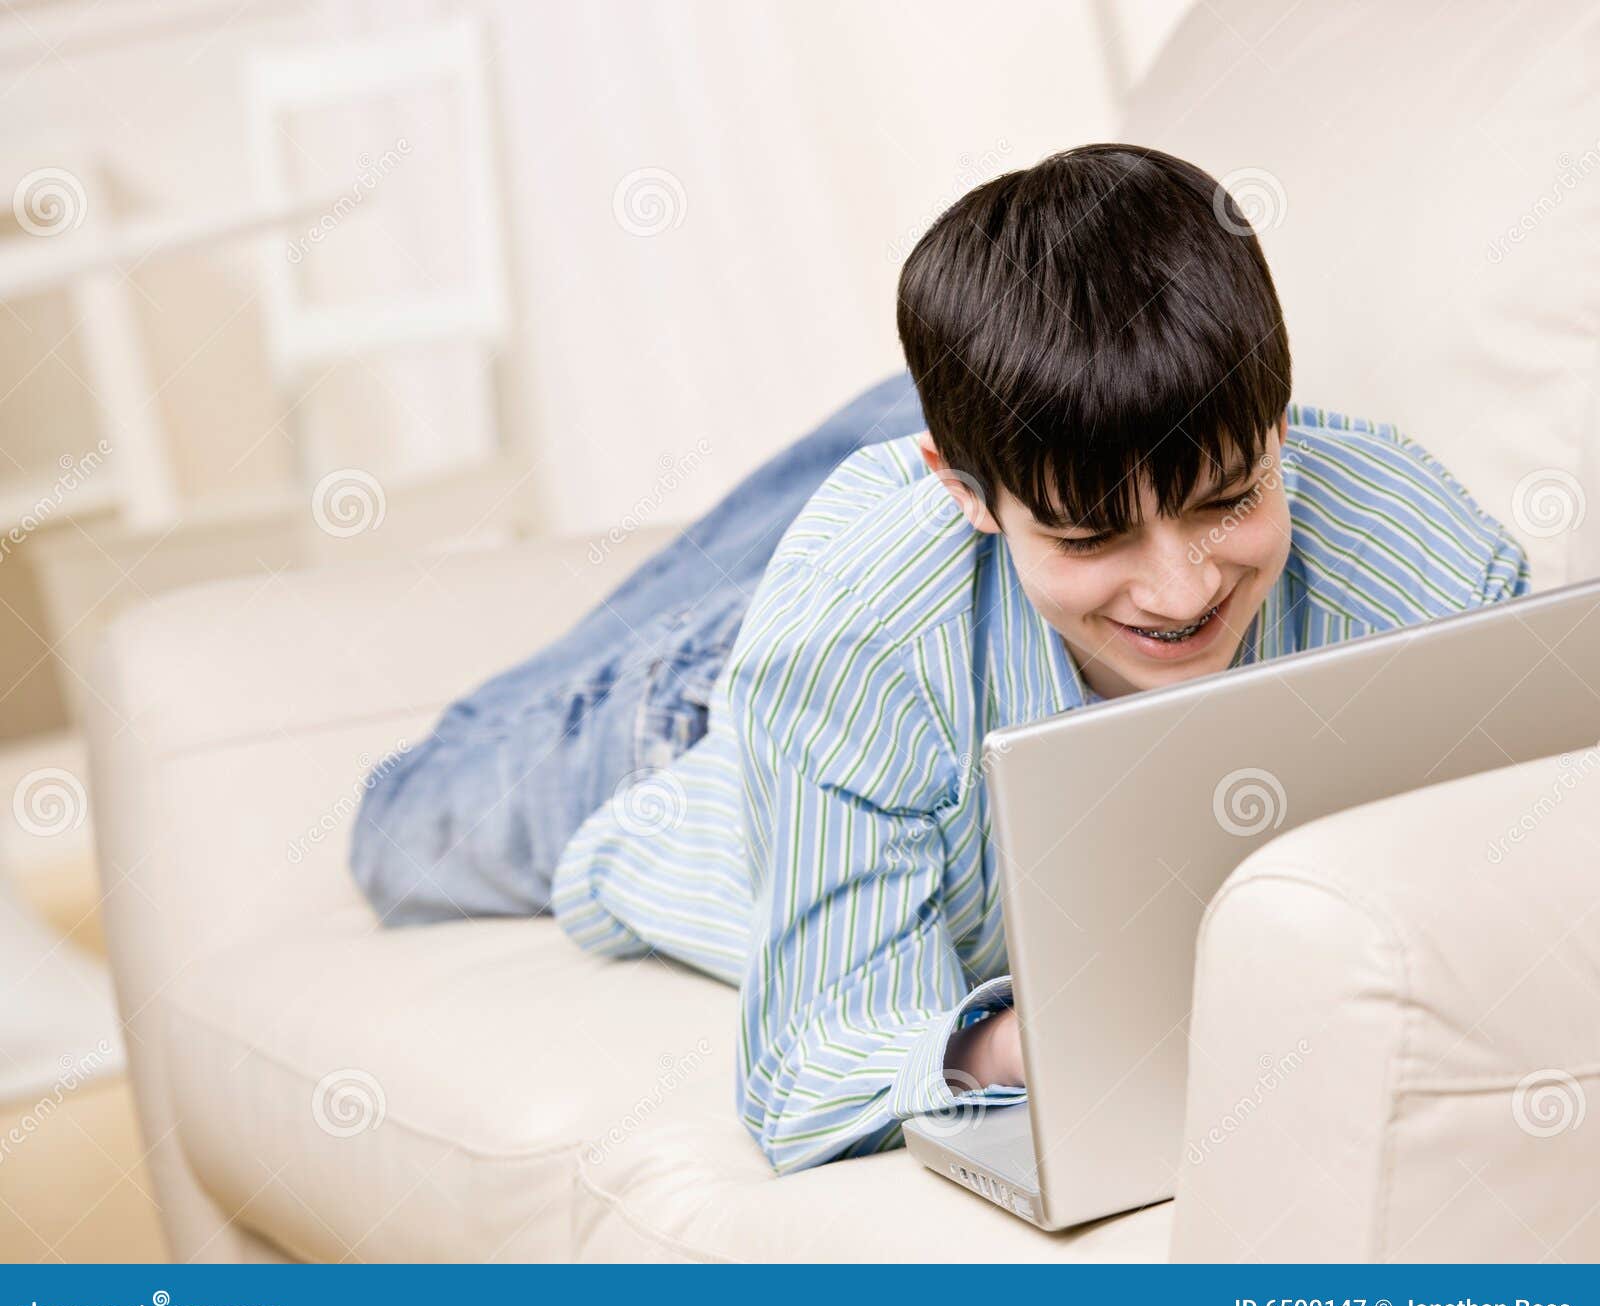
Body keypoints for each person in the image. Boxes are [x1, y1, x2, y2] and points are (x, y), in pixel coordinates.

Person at [350, 144, 1530, 1174]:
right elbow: (807, 1070)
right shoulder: (845, 643)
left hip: (974, 515)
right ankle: (915, 462)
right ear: (965, 492)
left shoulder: (1425, 562)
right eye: (1093, 534)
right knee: (401, 832)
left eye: (1229, 501)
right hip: (713, 710)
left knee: (1041, 483)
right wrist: (1062, 1034)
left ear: (1279, 431)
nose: (1181, 590)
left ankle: (981, 451)